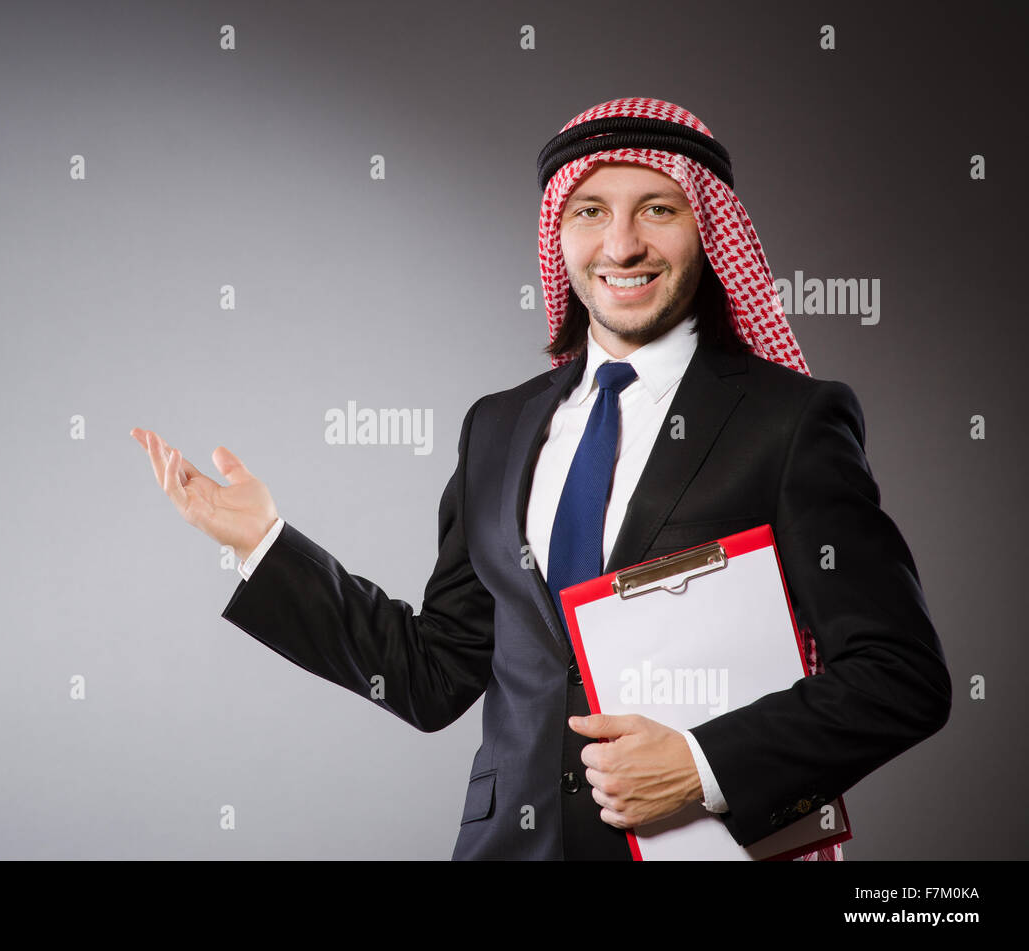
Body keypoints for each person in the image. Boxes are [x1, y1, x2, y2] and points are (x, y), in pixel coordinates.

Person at [130, 97, 951, 861]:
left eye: (657, 210)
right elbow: (434, 673)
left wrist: (702, 766)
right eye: (591, 211)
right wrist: (265, 546)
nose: (621, 244)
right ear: (559, 235)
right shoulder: (497, 426)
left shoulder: (791, 421)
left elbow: (899, 675)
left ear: (708, 231)